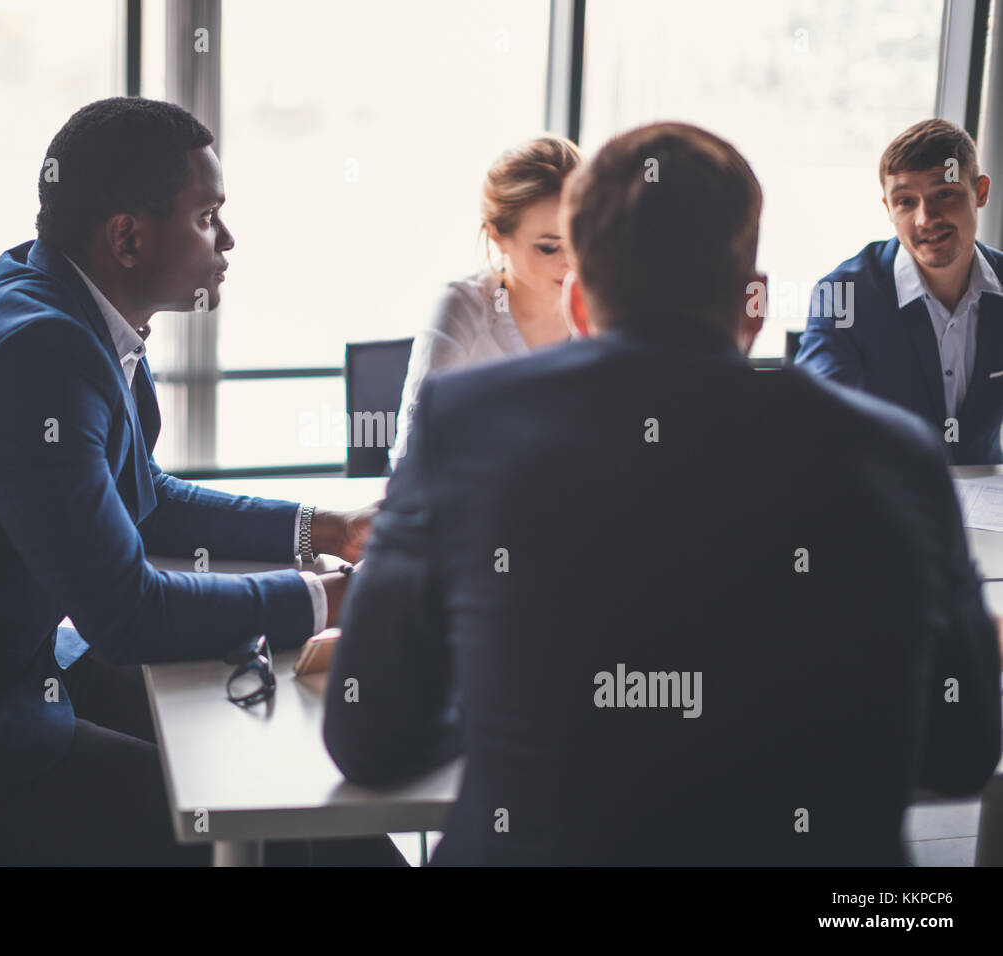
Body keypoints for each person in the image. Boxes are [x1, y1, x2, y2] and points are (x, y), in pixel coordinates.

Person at [323, 121, 1002, 865]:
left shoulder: (463, 429)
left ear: (579, 306)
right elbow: (963, 753)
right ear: (754, 307)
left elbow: (372, 741)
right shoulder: (898, 457)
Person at [0, 96, 401, 865]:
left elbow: (144, 501)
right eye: (207, 215)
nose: (228, 240)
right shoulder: (37, 353)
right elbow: (128, 613)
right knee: (252, 818)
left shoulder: (63, 307)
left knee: (294, 785)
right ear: (127, 237)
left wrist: (327, 530)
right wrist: (330, 598)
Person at [795, 119, 1003, 464]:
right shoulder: (842, 294)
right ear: (889, 208)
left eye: (945, 194)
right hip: (885, 502)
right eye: (906, 201)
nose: (925, 218)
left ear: (980, 192)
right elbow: (816, 423)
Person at [387, 135, 584, 469]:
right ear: (497, 236)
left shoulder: (603, 305)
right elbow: (413, 453)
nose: (571, 261)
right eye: (549, 247)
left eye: (581, 237)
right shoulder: (463, 308)